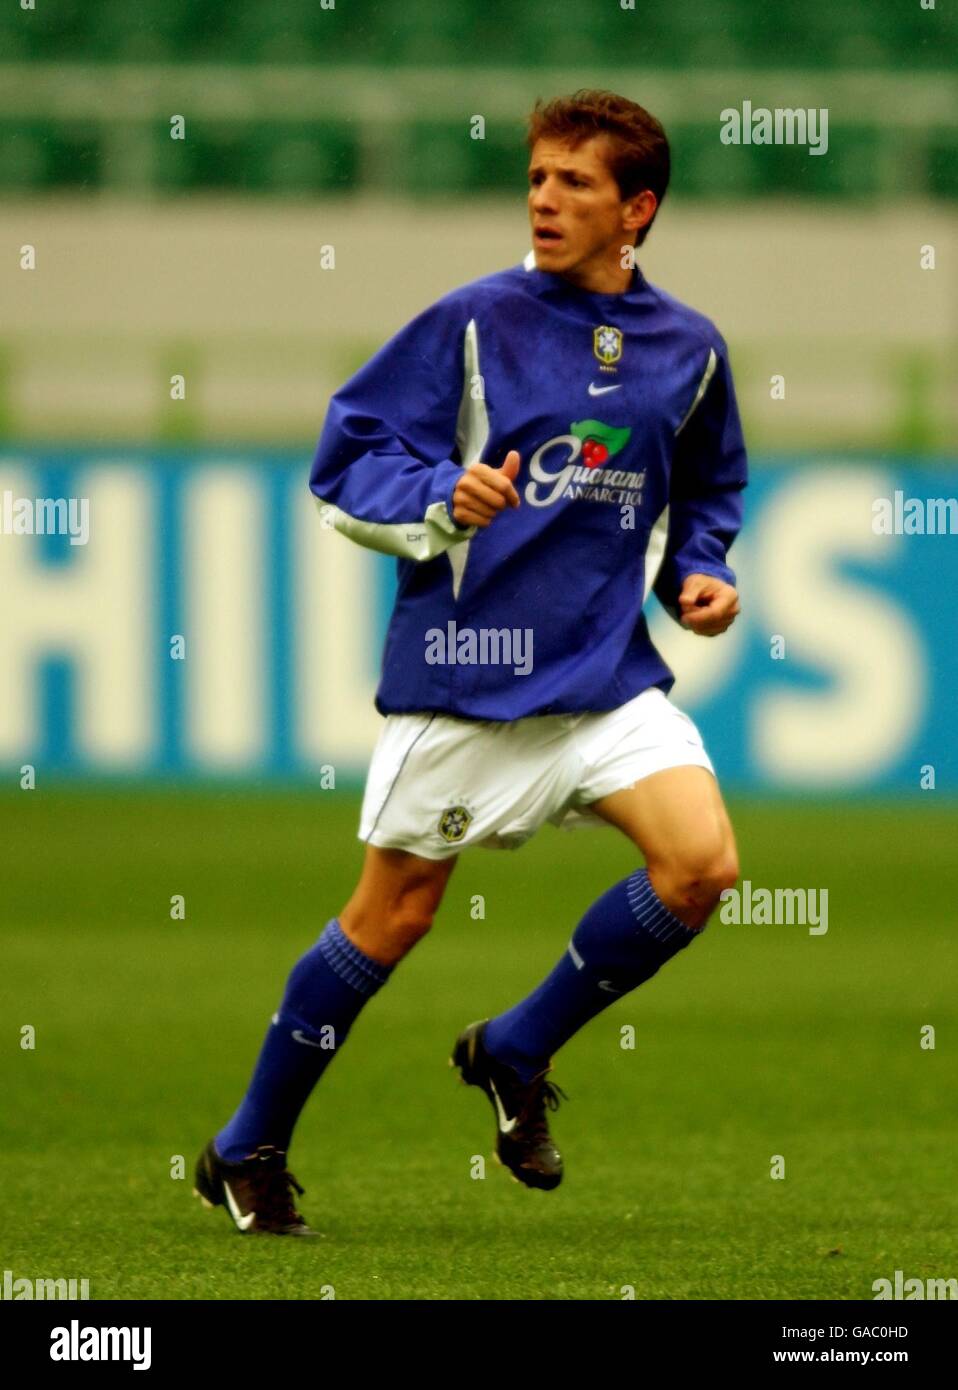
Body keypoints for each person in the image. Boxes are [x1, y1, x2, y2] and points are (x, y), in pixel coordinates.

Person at [194, 88, 747, 1235]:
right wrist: (440, 499)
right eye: (538, 176)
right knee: (388, 921)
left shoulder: (690, 349)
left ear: (635, 209)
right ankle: (248, 1142)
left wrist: (695, 570)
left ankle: (514, 1047)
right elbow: (347, 462)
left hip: (602, 685)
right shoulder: (470, 321)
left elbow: (704, 485)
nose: (544, 197)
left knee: (699, 867)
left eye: (575, 182)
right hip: (464, 678)